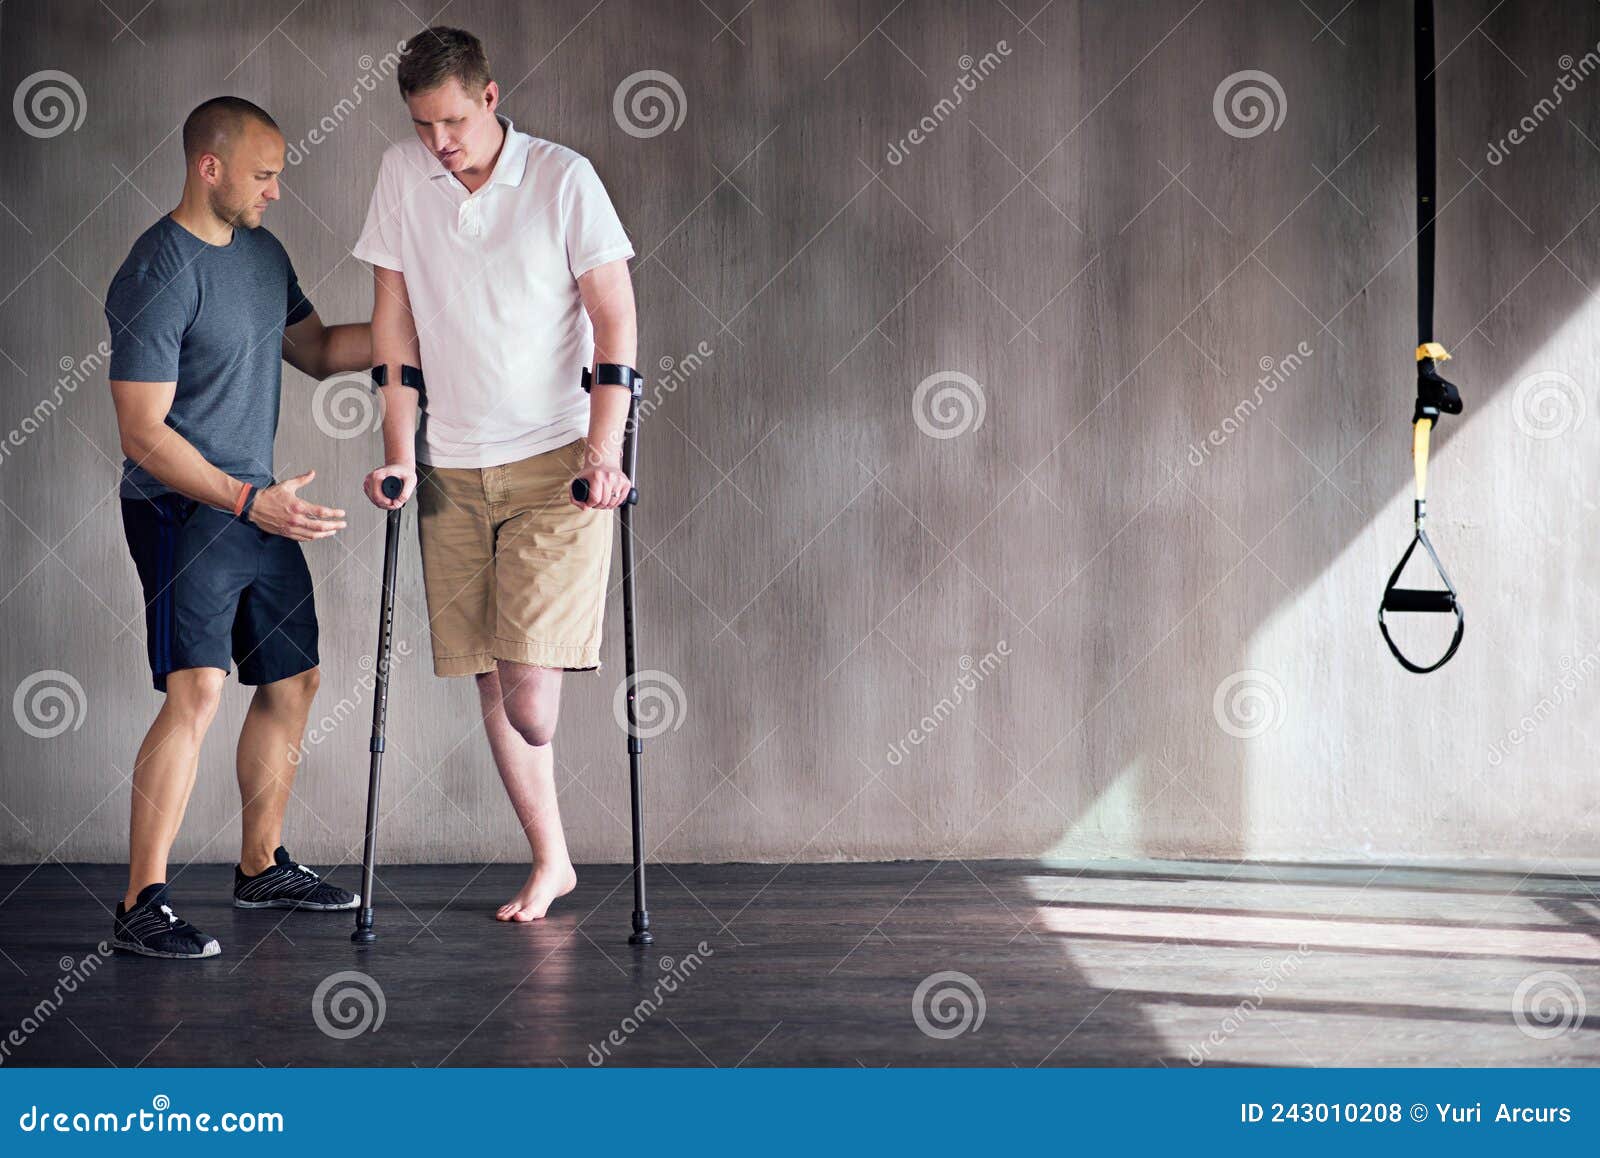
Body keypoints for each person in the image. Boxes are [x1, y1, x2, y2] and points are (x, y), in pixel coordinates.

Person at [354, 27, 638, 921]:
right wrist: (398, 452)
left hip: (558, 461)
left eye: (450, 120)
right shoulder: (404, 174)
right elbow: (392, 326)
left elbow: (615, 320)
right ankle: (551, 861)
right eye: (420, 123)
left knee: (531, 705)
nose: (437, 141)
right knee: (487, 675)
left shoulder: (563, 178)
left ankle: (557, 854)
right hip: (452, 464)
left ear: (489, 95)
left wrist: (606, 454)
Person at [105, 96, 374, 958]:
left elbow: (324, 349)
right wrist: (244, 500)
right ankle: (140, 901)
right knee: (200, 692)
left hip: (258, 500)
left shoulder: (263, 254)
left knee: (293, 680)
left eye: (280, 175)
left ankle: (259, 868)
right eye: (264, 176)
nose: (278, 192)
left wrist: (422, 324)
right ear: (208, 167)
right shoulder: (156, 272)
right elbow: (143, 435)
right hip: (184, 506)